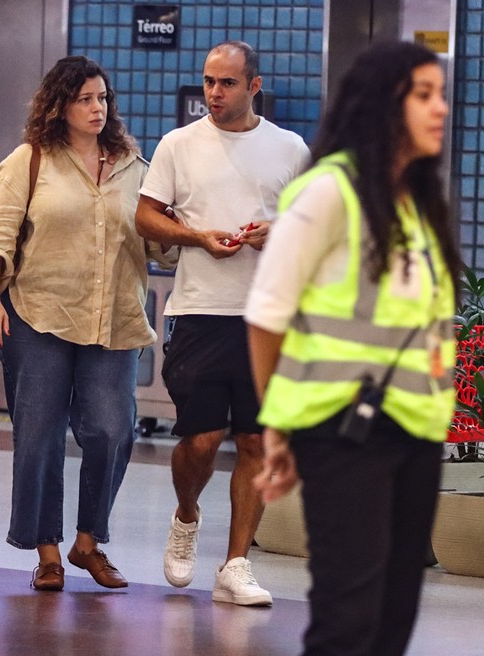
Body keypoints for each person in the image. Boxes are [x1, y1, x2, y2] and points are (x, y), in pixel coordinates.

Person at [245, 41, 461, 655]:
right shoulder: (328, 192)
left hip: (415, 429)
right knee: (348, 622)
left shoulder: (418, 202)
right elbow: (266, 314)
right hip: (343, 428)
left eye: (441, 94)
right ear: (383, 104)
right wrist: (279, 427)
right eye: (424, 95)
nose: (440, 109)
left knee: (394, 621)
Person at [0, 55, 159, 592]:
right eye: (85, 99)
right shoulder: (29, 160)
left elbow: (156, 242)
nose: (97, 108)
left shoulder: (133, 165)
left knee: (111, 430)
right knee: (39, 437)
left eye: (102, 98)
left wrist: (192, 235)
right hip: (38, 315)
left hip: (114, 317)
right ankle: (48, 553)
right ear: (59, 105)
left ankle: (87, 541)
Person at [135, 40, 310, 606]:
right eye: (209, 81)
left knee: (256, 439)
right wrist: (197, 237)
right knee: (202, 439)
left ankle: (236, 564)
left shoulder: (290, 148)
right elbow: (145, 217)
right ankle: (187, 514)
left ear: (254, 86)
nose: (214, 92)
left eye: (228, 83)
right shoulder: (178, 145)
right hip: (199, 312)